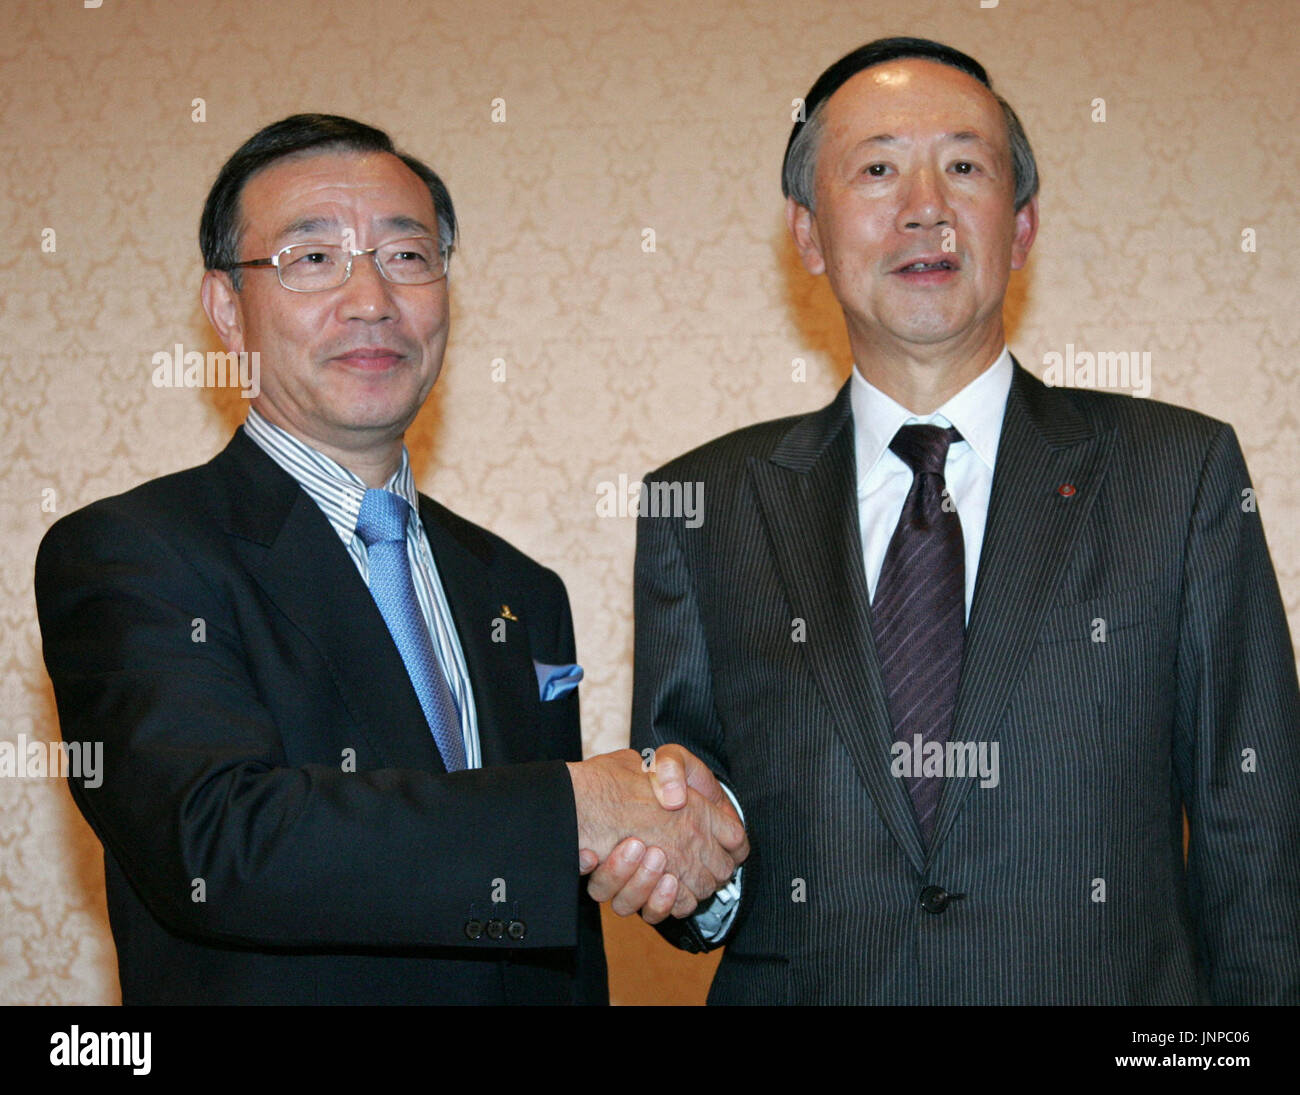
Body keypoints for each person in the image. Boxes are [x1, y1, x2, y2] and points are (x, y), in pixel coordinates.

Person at [597, 38, 1300, 1003]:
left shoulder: (1179, 475)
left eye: (964, 166)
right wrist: (689, 883)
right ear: (807, 234)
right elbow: (693, 824)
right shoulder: (704, 506)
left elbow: (1256, 826)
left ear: (1022, 225)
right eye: (878, 168)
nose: (924, 205)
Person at [34, 114, 746, 1005]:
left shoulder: (520, 590)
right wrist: (575, 807)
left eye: (407, 257)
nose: (371, 299)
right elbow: (220, 841)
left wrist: (662, 841)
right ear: (226, 309)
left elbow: (544, 907)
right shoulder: (130, 554)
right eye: (313, 258)